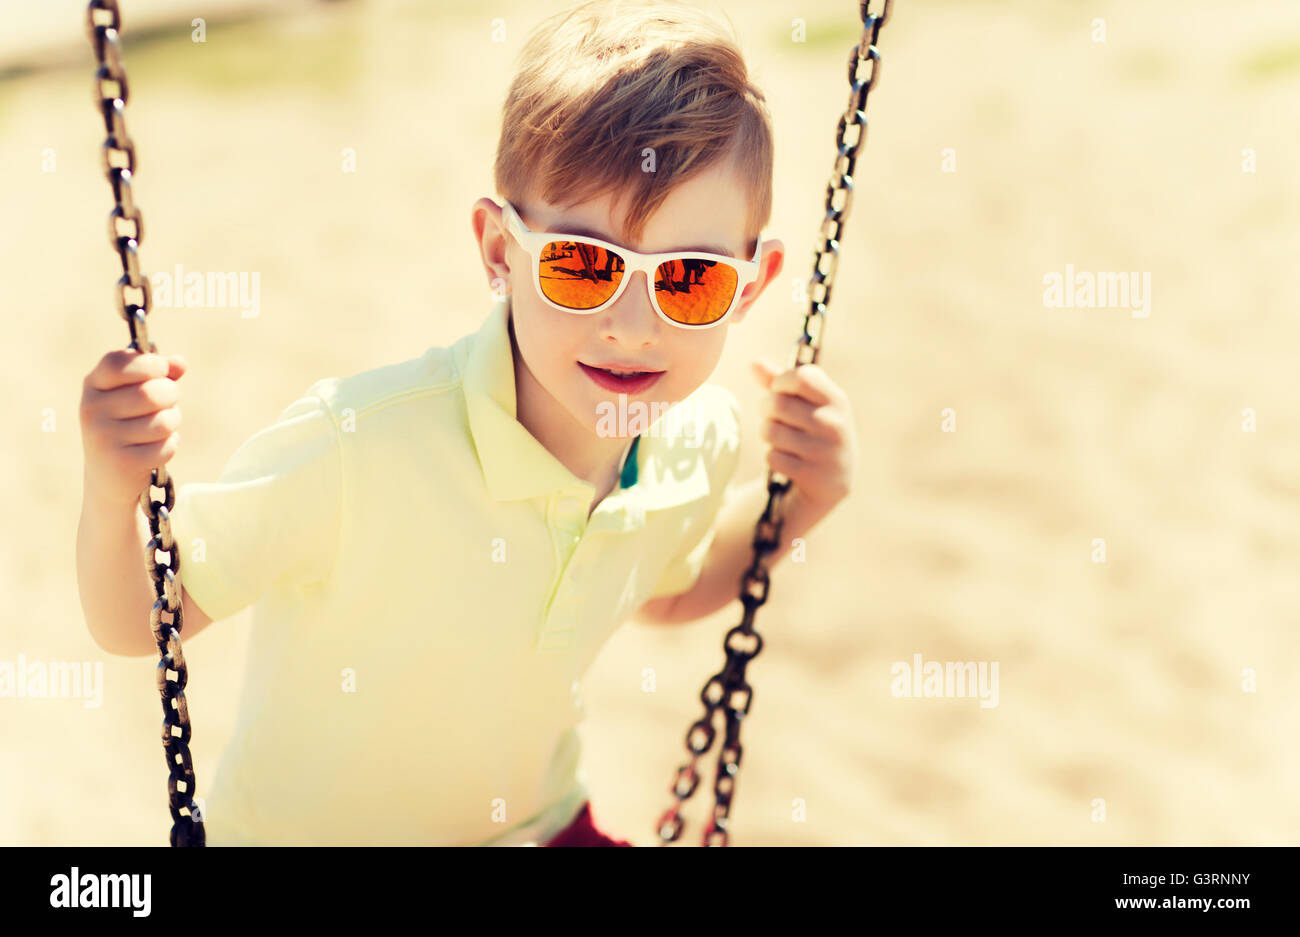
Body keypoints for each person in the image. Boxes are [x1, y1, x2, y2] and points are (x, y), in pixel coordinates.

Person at [75, 0, 855, 846]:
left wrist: (803, 498)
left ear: (752, 284)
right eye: (584, 265)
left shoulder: (701, 441)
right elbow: (135, 619)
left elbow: (664, 588)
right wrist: (115, 490)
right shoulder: (361, 445)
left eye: (690, 278)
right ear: (498, 251)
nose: (633, 325)